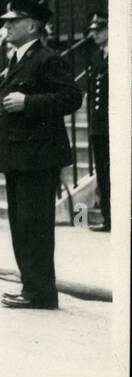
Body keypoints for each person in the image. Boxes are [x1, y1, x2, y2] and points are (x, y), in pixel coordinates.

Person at [0, 0, 82, 310]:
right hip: (17, 154)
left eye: (12, 22)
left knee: (36, 225)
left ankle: (41, 292)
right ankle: (31, 287)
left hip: (39, 156)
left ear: (31, 26)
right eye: (6, 22)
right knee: (20, 224)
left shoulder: (47, 58)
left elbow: (71, 97)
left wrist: (28, 102)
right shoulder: (8, 59)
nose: (6, 27)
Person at [85, 12, 109, 232]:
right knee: (103, 172)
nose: (94, 34)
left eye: (99, 30)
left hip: (113, 125)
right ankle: (108, 218)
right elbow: (92, 94)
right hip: (99, 126)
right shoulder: (95, 57)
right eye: (93, 31)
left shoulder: (119, 55)